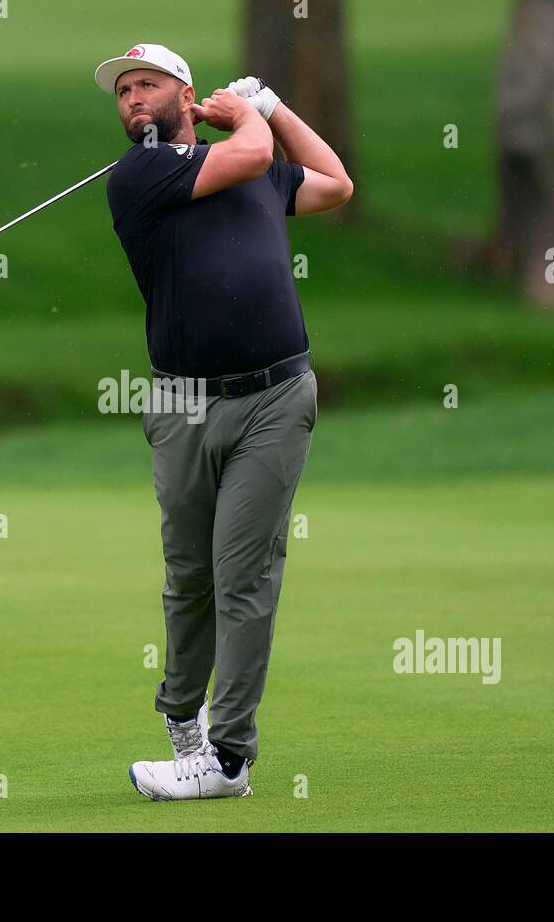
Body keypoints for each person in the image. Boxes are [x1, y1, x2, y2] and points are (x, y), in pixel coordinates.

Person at [95, 44, 354, 800]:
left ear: (184, 93)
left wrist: (272, 108)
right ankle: (183, 718)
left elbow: (336, 184)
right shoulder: (141, 174)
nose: (132, 99)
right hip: (181, 400)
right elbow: (246, 156)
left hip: (275, 396)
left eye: (147, 85)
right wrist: (252, 119)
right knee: (188, 576)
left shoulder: (254, 159)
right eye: (122, 92)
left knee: (243, 574)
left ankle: (228, 756)